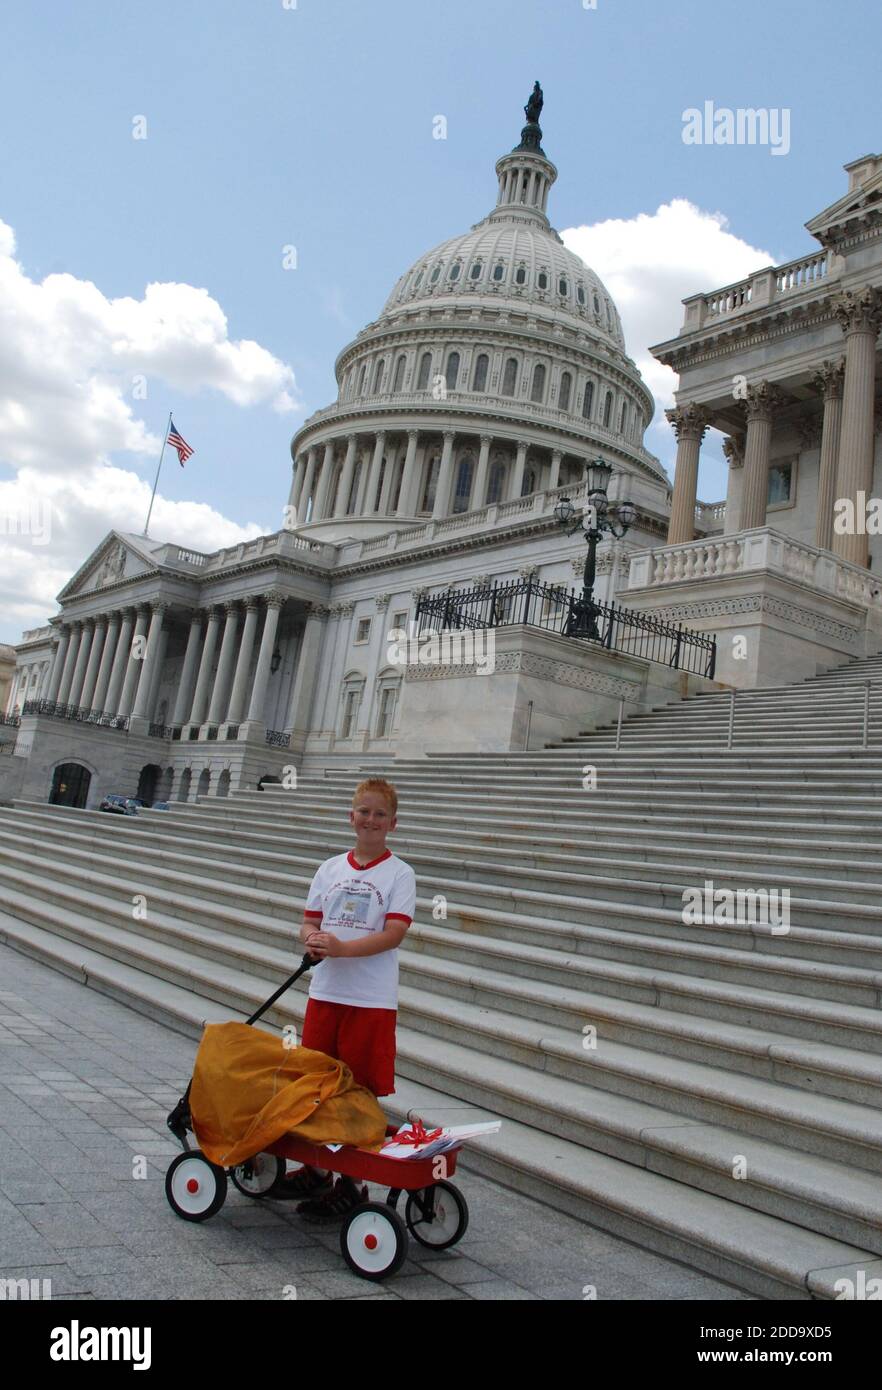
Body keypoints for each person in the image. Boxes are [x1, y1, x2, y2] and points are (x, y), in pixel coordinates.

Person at [281, 777, 416, 1221]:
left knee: (359, 1089)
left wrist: (342, 949)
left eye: (380, 814)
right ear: (351, 816)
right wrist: (314, 939)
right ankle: (315, 1168)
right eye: (364, 811)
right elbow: (307, 921)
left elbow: (393, 934)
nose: (370, 820)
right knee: (315, 1083)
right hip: (326, 991)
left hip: (370, 998)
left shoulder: (399, 874)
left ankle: (352, 1183)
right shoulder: (330, 868)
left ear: (392, 824)